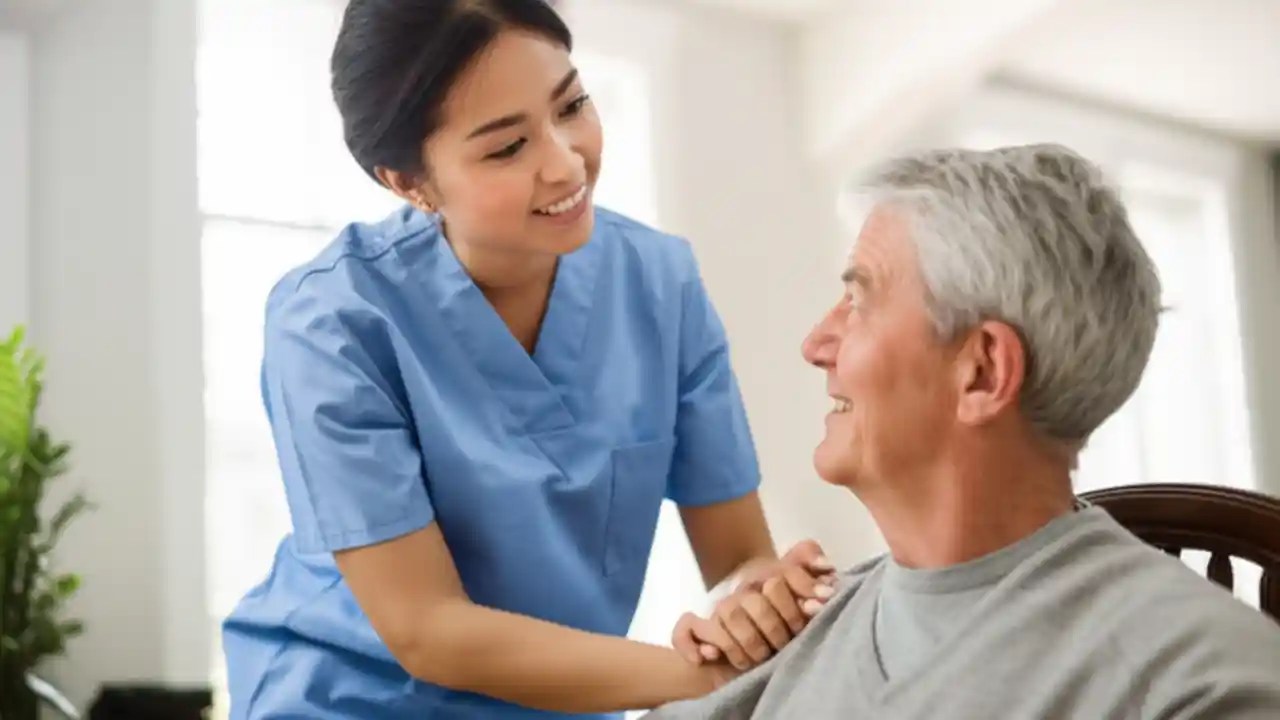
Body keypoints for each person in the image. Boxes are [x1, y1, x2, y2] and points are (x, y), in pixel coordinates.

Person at [219, 1, 833, 718]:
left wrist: (760, 607)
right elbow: (427, 631)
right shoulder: (332, 322)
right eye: (507, 147)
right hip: (347, 698)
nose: (566, 162)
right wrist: (701, 676)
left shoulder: (660, 283)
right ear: (408, 183)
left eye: (571, 105)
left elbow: (736, 560)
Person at [643, 144, 1280, 719]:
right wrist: (706, 673)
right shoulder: (792, 631)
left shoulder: (1201, 683)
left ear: (982, 372)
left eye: (858, 302)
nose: (815, 345)